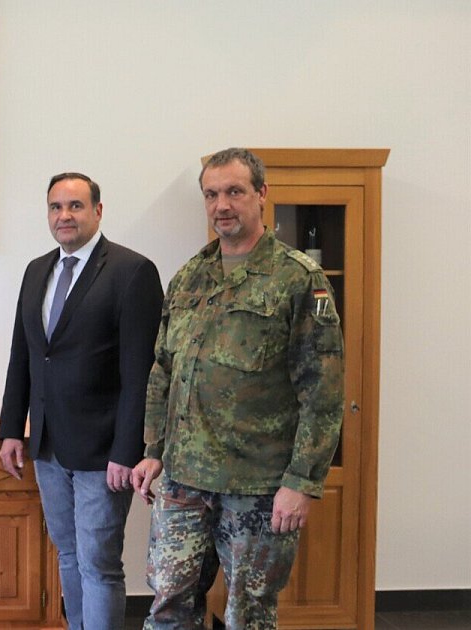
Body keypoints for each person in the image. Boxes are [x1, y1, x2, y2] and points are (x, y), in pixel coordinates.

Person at [131, 148, 344, 630]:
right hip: (185, 480)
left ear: (261, 194)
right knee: (168, 604)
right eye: (211, 194)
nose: (221, 204)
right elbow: (165, 369)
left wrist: (302, 482)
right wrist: (154, 449)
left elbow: (323, 392)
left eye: (234, 191)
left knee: (247, 613)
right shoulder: (190, 276)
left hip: (258, 486)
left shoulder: (297, 279)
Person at [0, 172, 163, 629]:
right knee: (68, 555)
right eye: (55, 207)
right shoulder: (37, 270)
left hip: (102, 453)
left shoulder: (132, 272)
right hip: (49, 446)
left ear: (97, 211)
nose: (64, 216)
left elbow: (140, 374)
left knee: (98, 563)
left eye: (74, 206)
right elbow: (24, 355)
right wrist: (13, 428)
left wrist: (127, 451)